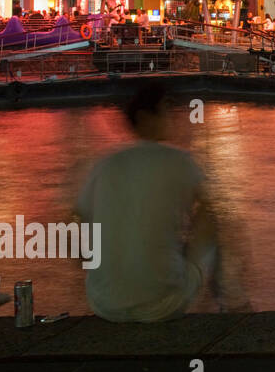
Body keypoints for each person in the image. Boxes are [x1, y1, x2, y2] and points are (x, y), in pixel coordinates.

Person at [75, 82, 241, 322]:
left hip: (102, 302)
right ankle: (226, 299)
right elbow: (210, 212)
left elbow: (74, 224)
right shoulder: (179, 160)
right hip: (161, 304)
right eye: (165, 110)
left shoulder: (105, 164)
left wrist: (98, 265)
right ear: (145, 117)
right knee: (211, 216)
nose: (172, 119)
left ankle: (121, 277)